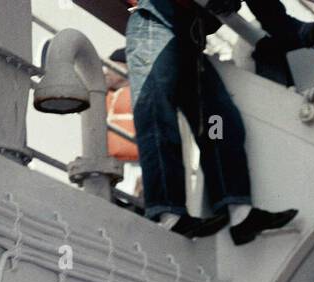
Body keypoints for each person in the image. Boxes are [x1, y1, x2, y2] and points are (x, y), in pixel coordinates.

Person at [125, 0, 298, 241]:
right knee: (157, 112)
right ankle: (168, 213)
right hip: (156, 26)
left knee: (218, 118)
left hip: (190, 40)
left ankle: (239, 214)